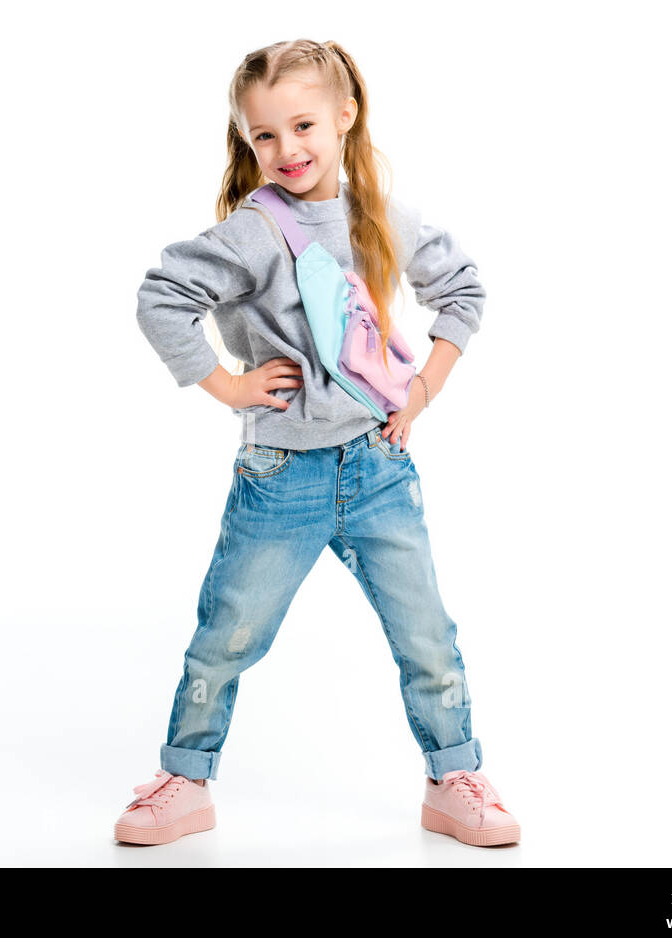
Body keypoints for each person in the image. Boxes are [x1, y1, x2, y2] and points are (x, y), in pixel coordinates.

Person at [116, 38, 519, 849]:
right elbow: (162, 296)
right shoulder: (256, 232)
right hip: (280, 476)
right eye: (264, 135)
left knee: (427, 635)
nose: (286, 149)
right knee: (227, 633)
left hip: (379, 467)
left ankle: (454, 775)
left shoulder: (380, 219)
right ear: (247, 140)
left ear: (345, 116)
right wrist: (228, 386)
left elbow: (464, 289)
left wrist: (423, 388)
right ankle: (185, 777)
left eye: (302, 125)